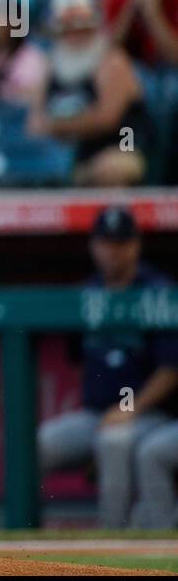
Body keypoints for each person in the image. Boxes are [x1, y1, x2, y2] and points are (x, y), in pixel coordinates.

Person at [39, 206, 178, 529]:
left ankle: (113, 538)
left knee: (113, 441)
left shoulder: (157, 291)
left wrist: (130, 409)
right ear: (93, 246)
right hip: (97, 415)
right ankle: (28, 536)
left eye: (120, 243)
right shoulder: (87, 293)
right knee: (41, 443)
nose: (112, 251)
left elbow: (171, 368)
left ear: (135, 245)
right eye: (105, 243)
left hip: (150, 414)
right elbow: (80, 363)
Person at [29, 0, 151, 187]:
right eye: (69, 27)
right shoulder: (52, 65)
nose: (75, 35)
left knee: (115, 167)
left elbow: (107, 118)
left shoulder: (111, 61)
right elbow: (34, 123)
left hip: (125, 141)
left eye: (82, 27)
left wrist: (58, 125)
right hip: (79, 152)